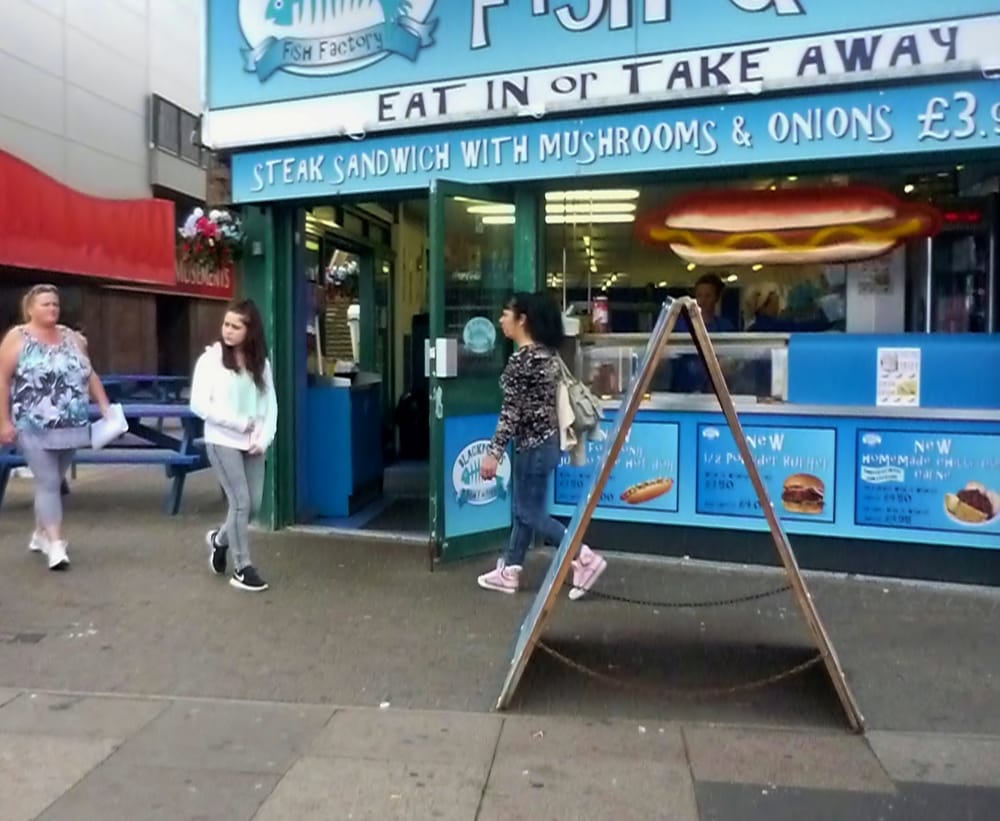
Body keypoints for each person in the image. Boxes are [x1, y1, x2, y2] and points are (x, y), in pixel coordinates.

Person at [477, 291, 607, 600]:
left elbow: (511, 412)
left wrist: (492, 454)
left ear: (523, 320)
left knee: (529, 511)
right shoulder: (548, 356)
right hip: (547, 444)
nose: (501, 320)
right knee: (526, 510)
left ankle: (584, 557)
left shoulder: (523, 360)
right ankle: (510, 569)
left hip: (533, 448)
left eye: (506, 314)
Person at [0, 284, 113, 570]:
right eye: (45, 304)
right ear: (30, 309)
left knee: (52, 479)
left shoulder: (71, 337)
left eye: (55, 304)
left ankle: (40, 534)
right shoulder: (17, 338)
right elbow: (2, 380)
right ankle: (57, 546)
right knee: (49, 481)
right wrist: (3, 421)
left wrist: (104, 405)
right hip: (32, 423)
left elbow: (88, 373)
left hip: (72, 422)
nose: (52, 308)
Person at [190, 299, 277, 592]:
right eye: (226, 324)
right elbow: (199, 405)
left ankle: (220, 540)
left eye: (236, 326)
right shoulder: (210, 361)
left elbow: (270, 404)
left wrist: (263, 437)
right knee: (239, 502)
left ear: (250, 331)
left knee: (253, 506)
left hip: (252, 443)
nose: (228, 331)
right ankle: (243, 567)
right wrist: (238, 424)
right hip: (222, 439)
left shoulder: (261, 363)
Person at [745, 284, 832, 332]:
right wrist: (829, 316)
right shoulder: (776, 326)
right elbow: (805, 328)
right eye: (777, 299)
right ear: (766, 303)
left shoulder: (752, 329)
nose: (779, 305)